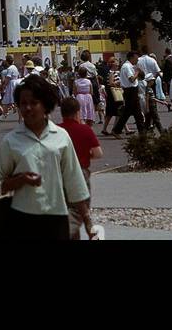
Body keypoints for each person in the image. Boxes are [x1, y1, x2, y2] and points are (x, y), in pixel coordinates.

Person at [0, 75, 92, 241]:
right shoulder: (11, 140)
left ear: (45, 105)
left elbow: (74, 179)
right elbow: (1, 185)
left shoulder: (61, 137)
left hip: (57, 217)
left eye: (34, 103)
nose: (28, 108)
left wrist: (88, 221)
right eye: (23, 103)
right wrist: (21, 179)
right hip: (22, 218)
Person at [58, 95, 103, 239]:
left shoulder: (57, 130)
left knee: (66, 209)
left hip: (60, 173)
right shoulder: (85, 130)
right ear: (78, 111)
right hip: (81, 171)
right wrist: (85, 155)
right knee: (78, 210)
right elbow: (98, 153)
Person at [116, 51, 144, 136]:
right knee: (132, 112)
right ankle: (142, 132)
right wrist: (137, 72)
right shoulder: (127, 66)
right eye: (136, 58)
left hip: (132, 91)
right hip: (130, 91)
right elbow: (131, 79)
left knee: (135, 112)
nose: (137, 60)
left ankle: (141, 131)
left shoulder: (130, 66)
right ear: (131, 57)